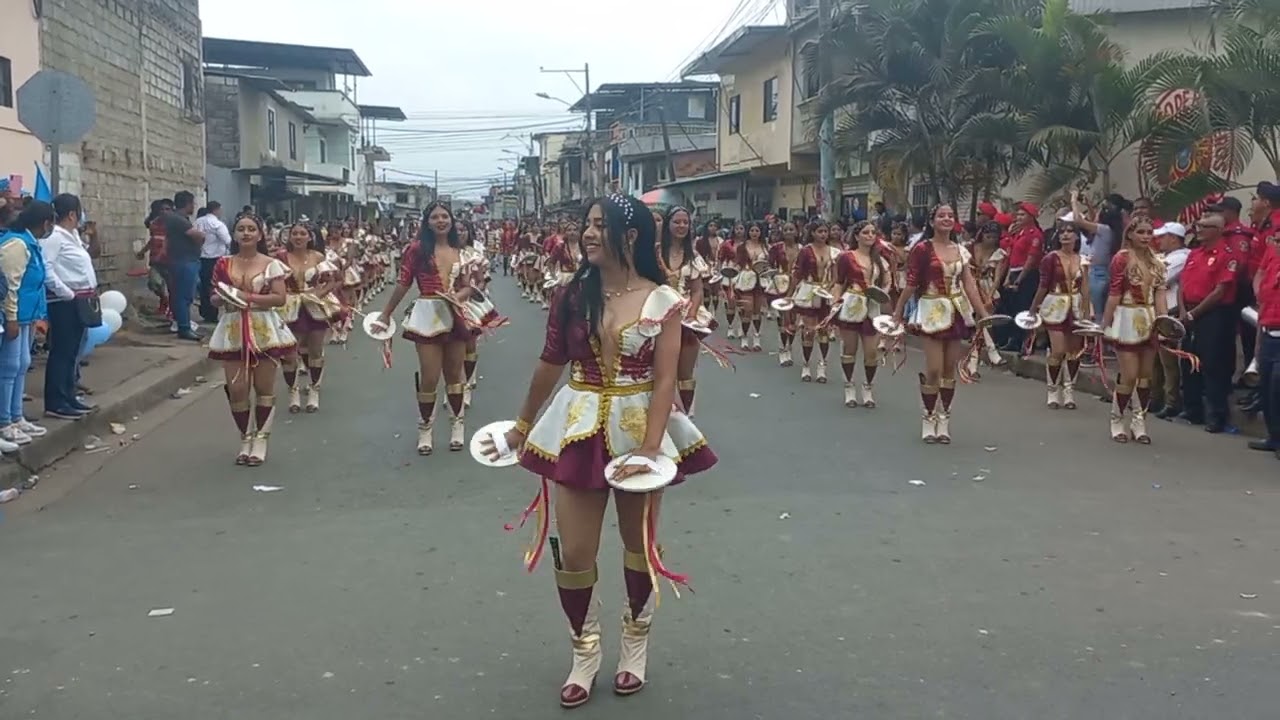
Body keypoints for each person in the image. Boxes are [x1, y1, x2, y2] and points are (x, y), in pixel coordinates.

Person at [481, 193, 717, 708]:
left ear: (628, 236)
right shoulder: (570, 294)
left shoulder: (662, 299)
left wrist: (654, 450)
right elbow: (550, 362)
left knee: (639, 545)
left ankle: (635, 642)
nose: (586, 234)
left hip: (638, 429)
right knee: (576, 551)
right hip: (579, 423)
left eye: (597, 225)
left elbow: (664, 381)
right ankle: (584, 650)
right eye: (585, 225)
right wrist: (522, 426)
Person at [373, 202, 498, 455]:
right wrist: (386, 314)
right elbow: (403, 283)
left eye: (445, 216)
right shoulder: (417, 249)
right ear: (427, 222)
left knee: (454, 373)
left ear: (451, 221)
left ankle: (457, 427)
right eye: (435, 217)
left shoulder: (462, 252)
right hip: (427, 313)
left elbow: (469, 285)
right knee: (429, 376)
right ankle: (425, 429)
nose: (441, 221)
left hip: (456, 315)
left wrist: (459, 296)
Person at [891, 204, 993, 443]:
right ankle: (928, 418)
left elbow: (969, 285)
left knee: (949, 369)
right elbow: (912, 283)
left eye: (950, 216)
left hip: (956, 312)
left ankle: (944, 419)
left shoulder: (961, 250)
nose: (946, 219)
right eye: (941, 216)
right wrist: (898, 312)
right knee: (934, 368)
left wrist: (982, 314)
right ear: (932, 221)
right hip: (930, 311)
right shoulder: (922, 249)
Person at [207, 212, 295, 465]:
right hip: (233, 327)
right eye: (241, 229)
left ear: (259, 234)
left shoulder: (271, 264)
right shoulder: (223, 263)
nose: (245, 233)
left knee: (263, 387)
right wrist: (221, 299)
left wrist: (249, 298)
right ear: (234, 234)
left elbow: (279, 298)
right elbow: (214, 296)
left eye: (251, 229)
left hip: (264, 328)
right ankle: (245, 438)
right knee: (237, 388)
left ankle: (261, 440)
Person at [1101, 217, 1167, 443]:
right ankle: (1117, 419)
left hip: (1149, 318)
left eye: (1149, 232)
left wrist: (1164, 322)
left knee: (1146, 376)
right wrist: (1105, 325)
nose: (1146, 236)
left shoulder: (1158, 261)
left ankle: (1139, 422)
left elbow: (1160, 294)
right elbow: (1114, 293)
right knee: (1129, 375)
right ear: (1130, 234)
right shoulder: (1122, 259)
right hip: (1126, 317)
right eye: (1141, 232)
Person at [1177, 214, 1239, 432]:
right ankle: (1192, 410)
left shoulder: (1225, 255)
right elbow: (1183, 284)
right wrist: (1185, 312)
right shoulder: (1195, 253)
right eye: (1198, 225)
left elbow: (1220, 291)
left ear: (1218, 230)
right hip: (1190, 312)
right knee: (1189, 360)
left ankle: (1216, 415)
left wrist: (1195, 313)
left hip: (1213, 314)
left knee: (1213, 365)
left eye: (1204, 226)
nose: (1199, 229)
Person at [0, 201, 52, 451]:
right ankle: (4, 421)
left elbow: (36, 283)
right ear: (44, 222)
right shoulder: (17, 244)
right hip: (15, 315)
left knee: (22, 364)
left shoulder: (30, 242)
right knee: (9, 367)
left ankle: (16, 416)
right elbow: (11, 284)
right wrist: (10, 318)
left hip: (27, 315)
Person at [41, 193, 98, 421]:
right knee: (62, 352)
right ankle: (56, 401)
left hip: (82, 298)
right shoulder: (54, 237)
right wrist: (66, 292)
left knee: (74, 352)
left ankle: (69, 396)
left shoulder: (72, 235)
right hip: (65, 301)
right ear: (72, 214)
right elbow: (46, 268)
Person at [278, 220, 343, 413]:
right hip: (289, 308)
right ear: (289, 237)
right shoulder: (280, 257)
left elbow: (333, 281)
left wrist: (319, 294)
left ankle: (314, 390)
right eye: (294, 233)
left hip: (314, 308)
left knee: (315, 350)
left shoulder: (318, 257)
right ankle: (293, 392)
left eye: (302, 233)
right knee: (289, 353)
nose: (298, 237)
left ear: (310, 237)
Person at [1028, 221, 1089, 409]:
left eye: (1070, 231)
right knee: (1058, 350)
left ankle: (1069, 392)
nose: (1065, 235)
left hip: (1076, 307)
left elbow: (1085, 288)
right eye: (1061, 232)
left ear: (1077, 236)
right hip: (1054, 305)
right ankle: (1053, 391)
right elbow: (1043, 285)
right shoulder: (1050, 258)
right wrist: (1033, 310)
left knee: (1074, 353)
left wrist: (1087, 313)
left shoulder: (1084, 259)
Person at [1153, 221, 1190, 419]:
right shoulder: (1164, 257)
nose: (1159, 241)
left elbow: (1158, 279)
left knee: (1168, 360)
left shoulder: (1181, 258)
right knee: (1155, 359)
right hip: (1157, 312)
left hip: (1170, 312)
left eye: (1163, 237)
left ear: (1174, 239)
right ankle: (1155, 397)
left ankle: (1172, 402)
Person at [164, 191, 205, 341]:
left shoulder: (177, 219)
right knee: (184, 296)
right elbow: (198, 235)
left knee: (183, 295)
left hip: (183, 260)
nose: (194, 206)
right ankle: (184, 327)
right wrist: (201, 238)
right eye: (192, 203)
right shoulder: (179, 220)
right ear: (188, 204)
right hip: (184, 261)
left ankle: (183, 324)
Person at [196, 201, 232, 323]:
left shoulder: (198, 222)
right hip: (215, 260)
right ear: (216, 210)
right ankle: (212, 314)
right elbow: (227, 240)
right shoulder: (217, 224)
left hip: (201, 258)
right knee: (214, 287)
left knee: (203, 287)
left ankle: (205, 312)